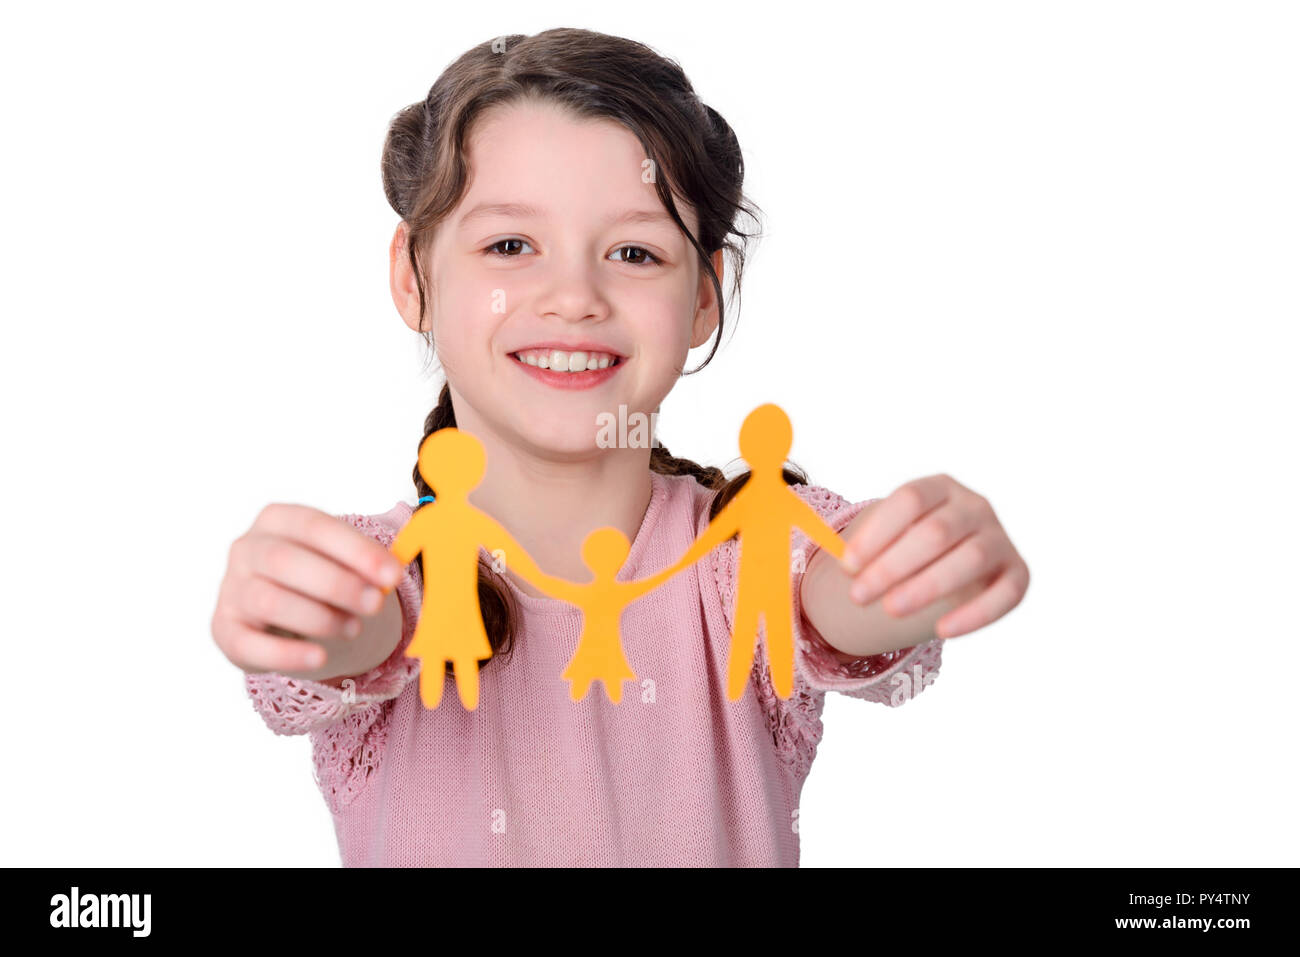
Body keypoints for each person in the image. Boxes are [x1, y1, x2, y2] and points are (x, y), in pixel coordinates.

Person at [210, 27, 1030, 866]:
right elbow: (354, 635)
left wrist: (910, 567)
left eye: (635, 251)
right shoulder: (391, 579)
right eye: (509, 246)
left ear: (706, 295)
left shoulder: (744, 550)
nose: (573, 297)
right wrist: (302, 611)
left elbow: (840, 594)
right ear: (412, 277)